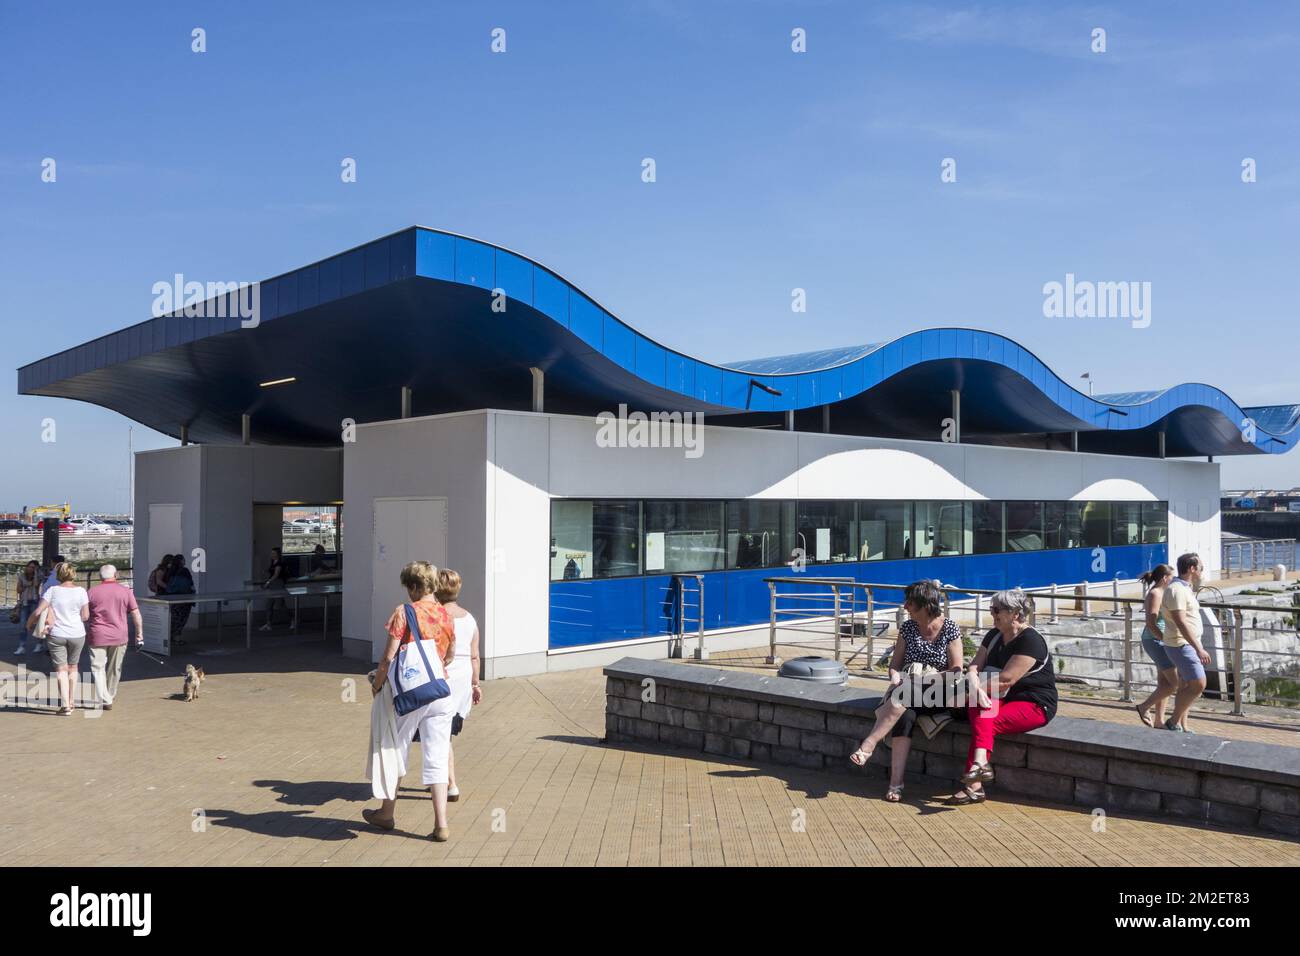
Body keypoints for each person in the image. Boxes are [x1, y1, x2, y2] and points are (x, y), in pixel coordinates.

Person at [363, 561, 458, 841]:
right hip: (440, 691)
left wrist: (377, 685)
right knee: (437, 755)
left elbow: (388, 656)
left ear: (415, 586)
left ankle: (386, 813)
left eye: (409, 587)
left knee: (396, 746)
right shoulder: (445, 614)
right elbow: (450, 656)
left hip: (410, 693)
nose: (408, 593)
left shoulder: (404, 612)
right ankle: (441, 824)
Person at [849, 580, 963, 801]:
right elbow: (894, 665)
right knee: (905, 715)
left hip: (938, 692)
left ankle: (868, 744)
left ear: (925, 605)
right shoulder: (908, 628)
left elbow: (956, 671)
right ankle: (895, 784)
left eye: (909, 602)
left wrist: (924, 679)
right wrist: (894, 676)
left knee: (905, 696)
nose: (905, 607)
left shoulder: (949, 628)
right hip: (908, 692)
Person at [954, 587, 1058, 804]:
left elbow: (1006, 679)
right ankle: (979, 770)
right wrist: (975, 687)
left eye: (996, 610)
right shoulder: (994, 635)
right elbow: (974, 667)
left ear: (1016, 614)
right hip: (999, 696)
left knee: (985, 719)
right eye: (992, 609)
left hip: (1034, 703)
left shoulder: (1031, 641)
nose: (992, 614)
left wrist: (976, 689)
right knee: (978, 707)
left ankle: (974, 781)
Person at [435, 568, 483, 803]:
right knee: (445, 732)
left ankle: (450, 784)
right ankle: (439, 780)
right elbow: (475, 656)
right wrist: (476, 684)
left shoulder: (435, 616)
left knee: (439, 733)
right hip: (463, 678)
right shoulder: (470, 618)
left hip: (442, 676)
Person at [27, 562, 89, 715]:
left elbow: (38, 611)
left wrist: (29, 625)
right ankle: (72, 700)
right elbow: (85, 616)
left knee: (61, 669)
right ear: (73, 574)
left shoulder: (52, 590)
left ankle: (66, 705)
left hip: (57, 634)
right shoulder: (81, 591)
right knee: (73, 667)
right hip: (77, 633)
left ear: (59, 575)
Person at [1161, 553, 1211, 733]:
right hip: (1181, 644)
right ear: (1192, 569)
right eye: (1201, 568)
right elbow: (1180, 621)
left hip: (1184, 643)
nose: (1201, 571)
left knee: (1186, 685)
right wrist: (1199, 649)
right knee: (1198, 684)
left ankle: (1181, 724)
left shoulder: (1183, 588)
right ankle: (1173, 721)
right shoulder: (1177, 590)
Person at [86, 565, 143, 711]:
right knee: (115, 668)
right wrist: (139, 634)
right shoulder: (125, 591)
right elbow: (136, 614)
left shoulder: (91, 592)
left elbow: (85, 616)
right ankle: (109, 695)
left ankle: (105, 697)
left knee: (97, 668)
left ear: (100, 577)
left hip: (97, 635)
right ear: (116, 575)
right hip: (119, 635)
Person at [1134, 563, 1177, 728]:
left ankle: (1159, 721)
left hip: (1161, 639)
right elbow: (1151, 623)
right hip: (1155, 640)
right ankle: (1144, 706)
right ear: (1165, 578)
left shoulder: (1163, 593)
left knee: (1164, 684)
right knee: (1175, 683)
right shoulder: (1155, 594)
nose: (1173, 581)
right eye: (1172, 578)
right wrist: (1165, 640)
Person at [165, 554, 196, 646]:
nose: (184, 561)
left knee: (174, 618)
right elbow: (190, 583)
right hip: (184, 598)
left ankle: (170, 636)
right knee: (182, 619)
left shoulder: (170, 571)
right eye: (183, 559)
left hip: (173, 598)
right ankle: (177, 639)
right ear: (181, 561)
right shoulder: (185, 571)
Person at [259, 547, 292, 630]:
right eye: (271, 553)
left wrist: (267, 582)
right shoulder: (273, 562)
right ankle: (268, 623)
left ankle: (293, 620)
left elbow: (276, 575)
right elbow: (271, 572)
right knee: (269, 605)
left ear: (278, 554)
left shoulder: (280, 563)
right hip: (272, 585)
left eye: (274, 553)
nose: (272, 555)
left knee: (280, 604)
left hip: (278, 585)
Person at [12, 560, 41, 655]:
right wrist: (26, 586)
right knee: (23, 626)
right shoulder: (22, 576)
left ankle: (39, 644)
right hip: (24, 602)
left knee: (35, 625)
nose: (30, 569)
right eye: (29, 566)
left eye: (33, 567)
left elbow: (36, 585)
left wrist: (36, 573)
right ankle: (21, 646)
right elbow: (18, 590)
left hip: (35, 601)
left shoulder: (38, 576)